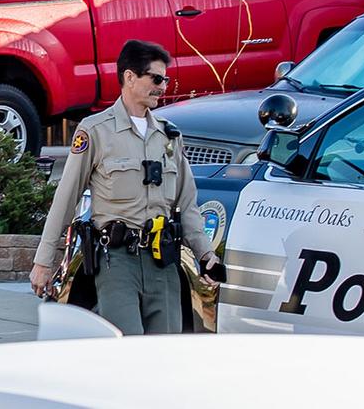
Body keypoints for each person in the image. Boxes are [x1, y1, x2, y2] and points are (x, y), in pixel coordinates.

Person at [29, 39, 223, 335]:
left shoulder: (169, 136)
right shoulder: (95, 131)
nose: (162, 87)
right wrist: (44, 262)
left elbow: (187, 206)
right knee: (125, 346)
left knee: (165, 348)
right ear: (130, 77)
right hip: (116, 262)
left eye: (165, 80)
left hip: (163, 262)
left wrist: (206, 255)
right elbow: (66, 199)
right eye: (156, 79)